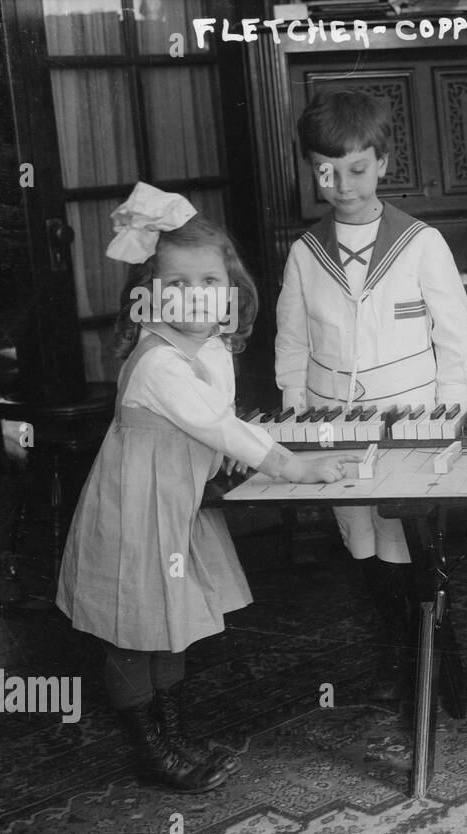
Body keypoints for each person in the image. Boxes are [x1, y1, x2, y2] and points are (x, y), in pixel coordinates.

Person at [57, 183, 359, 792]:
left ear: (230, 289)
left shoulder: (211, 347)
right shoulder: (159, 362)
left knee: (169, 624)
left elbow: (215, 424)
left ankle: (171, 730)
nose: (198, 297)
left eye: (209, 282)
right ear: (148, 296)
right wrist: (291, 466)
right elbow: (218, 423)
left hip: (177, 508)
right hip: (137, 512)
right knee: (131, 632)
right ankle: (150, 747)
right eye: (180, 284)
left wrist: (223, 455)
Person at [275, 89, 467, 701]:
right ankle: (400, 648)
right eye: (325, 171)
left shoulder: (421, 243)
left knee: (411, 542)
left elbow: (455, 336)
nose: (342, 184)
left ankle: (434, 656)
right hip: (336, 425)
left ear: (383, 162)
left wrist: (448, 414)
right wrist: (294, 416)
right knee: (361, 540)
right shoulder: (306, 255)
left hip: (412, 422)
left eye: (357, 169)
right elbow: (290, 342)